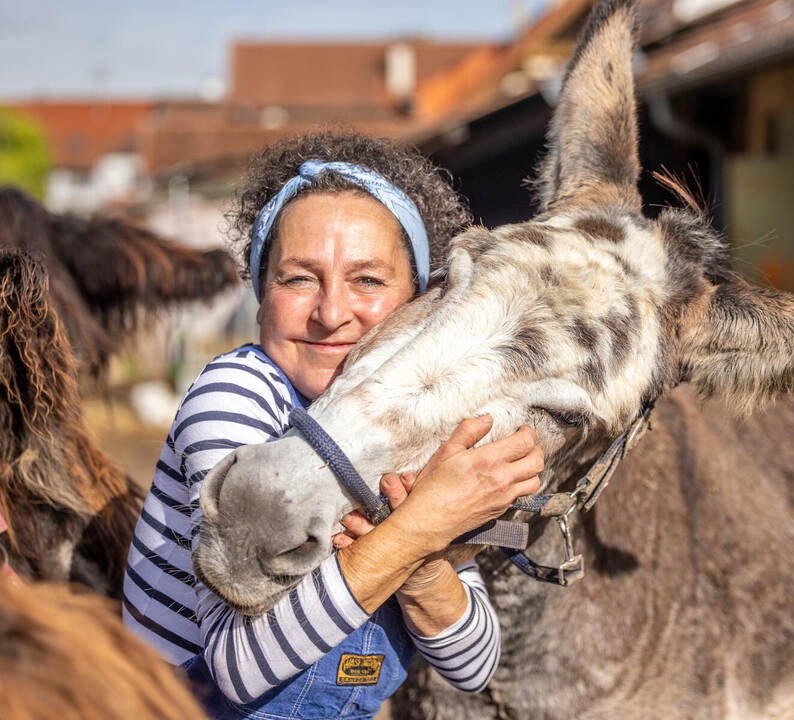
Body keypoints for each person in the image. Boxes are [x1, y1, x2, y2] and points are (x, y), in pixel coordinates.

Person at [122, 132, 544, 720]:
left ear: (420, 302)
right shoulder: (236, 392)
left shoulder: (413, 424)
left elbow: (473, 666)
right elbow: (239, 667)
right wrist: (422, 526)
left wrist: (423, 568)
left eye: (367, 280)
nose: (330, 313)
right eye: (299, 278)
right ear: (261, 293)